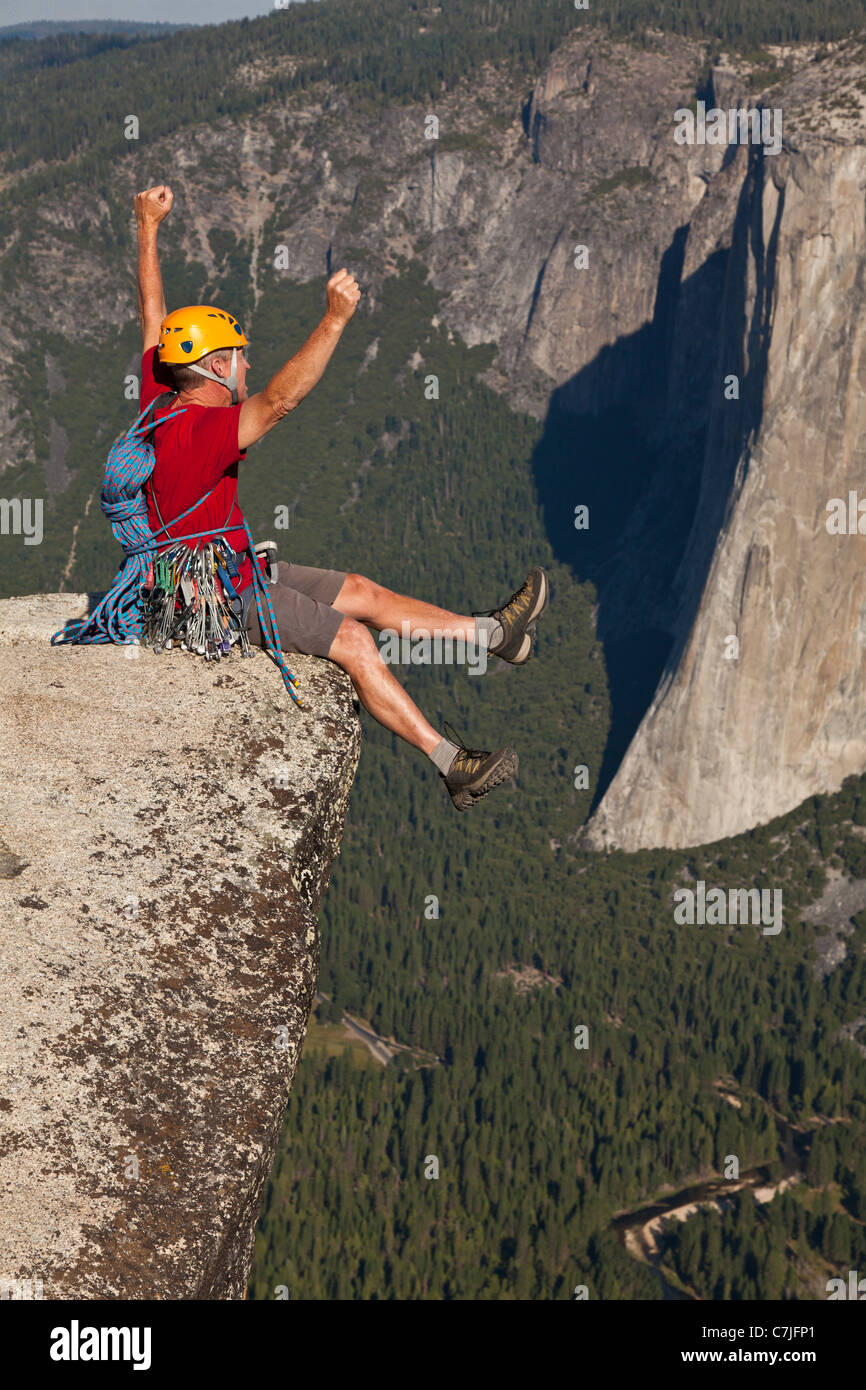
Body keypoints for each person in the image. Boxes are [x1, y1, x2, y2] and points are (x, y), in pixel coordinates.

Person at [135, 184, 549, 810]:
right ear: (215, 368)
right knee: (354, 639)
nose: (247, 366)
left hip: (222, 568)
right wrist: (334, 320)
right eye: (239, 359)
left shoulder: (160, 399)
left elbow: (152, 315)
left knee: (360, 590)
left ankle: (490, 634)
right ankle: (451, 763)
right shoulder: (201, 432)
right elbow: (280, 401)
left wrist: (148, 227)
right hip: (215, 598)